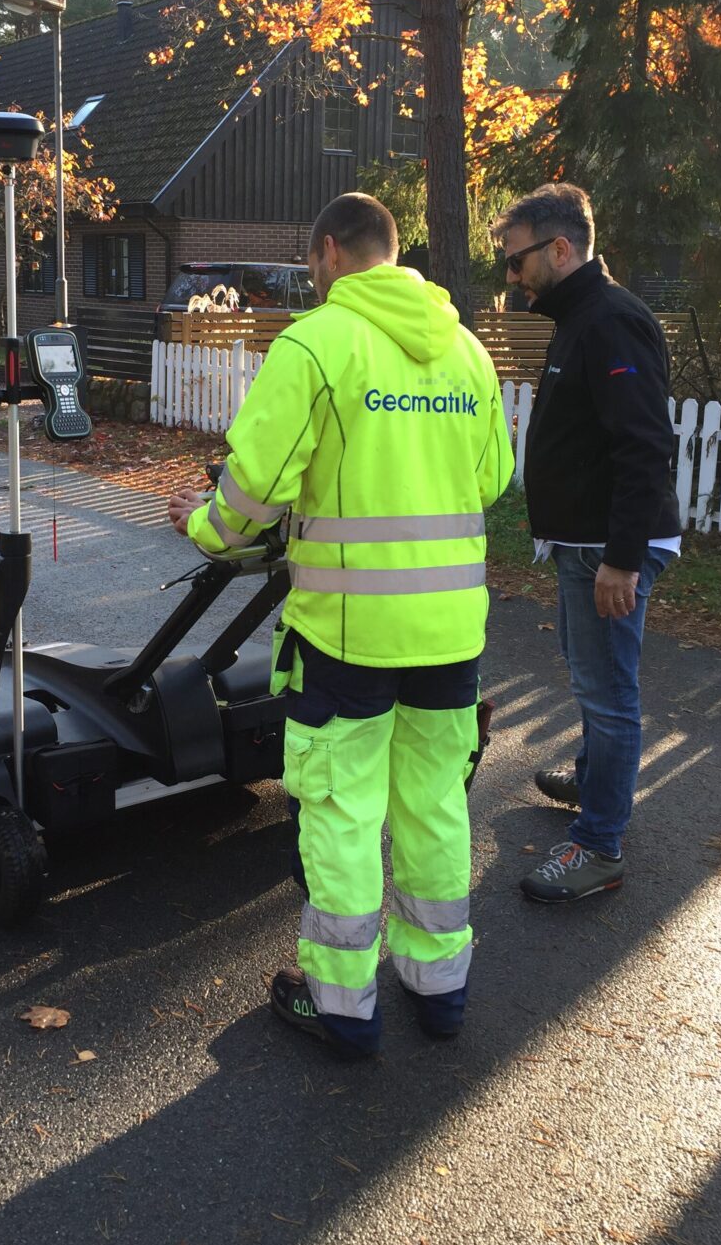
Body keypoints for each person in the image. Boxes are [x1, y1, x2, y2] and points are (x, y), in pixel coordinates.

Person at [168, 193, 514, 1060]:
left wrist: (202, 526)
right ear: (394, 254)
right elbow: (492, 480)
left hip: (350, 638)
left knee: (342, 811)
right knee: (434, 807)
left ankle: (343, 1006)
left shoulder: (316, 344)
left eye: (311, 260)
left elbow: (254, 488)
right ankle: (441, 989)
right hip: (450, 634)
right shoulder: (466, 353)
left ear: (328, 252)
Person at [491, 184, 681, 903]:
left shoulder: (610, 320)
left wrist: (622, 559)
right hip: (585, 542)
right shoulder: (580, 318)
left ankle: (599, 845)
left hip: (609, 546)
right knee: (589, 677)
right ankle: (597, 775)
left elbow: (644, 445)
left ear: (560, 248)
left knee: (608, 694)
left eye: (518, 260)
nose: (513, 275)